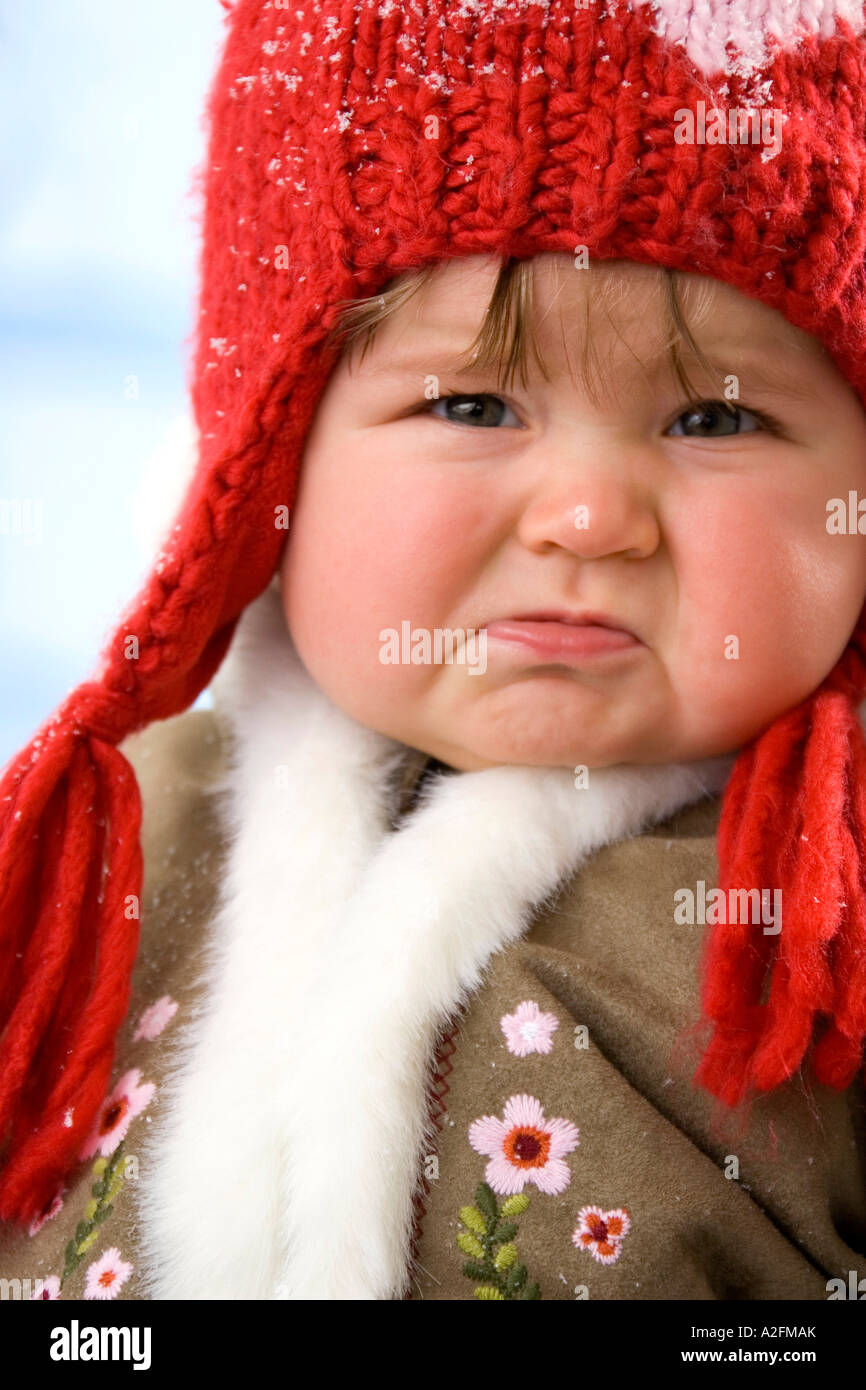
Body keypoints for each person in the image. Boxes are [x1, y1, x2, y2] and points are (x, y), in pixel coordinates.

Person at [1, 0, 865, 1301]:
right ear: (267, 452)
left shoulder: (822, 923)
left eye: (710, 416)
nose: (588, 515)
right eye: (469, 402)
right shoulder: (105, 863)